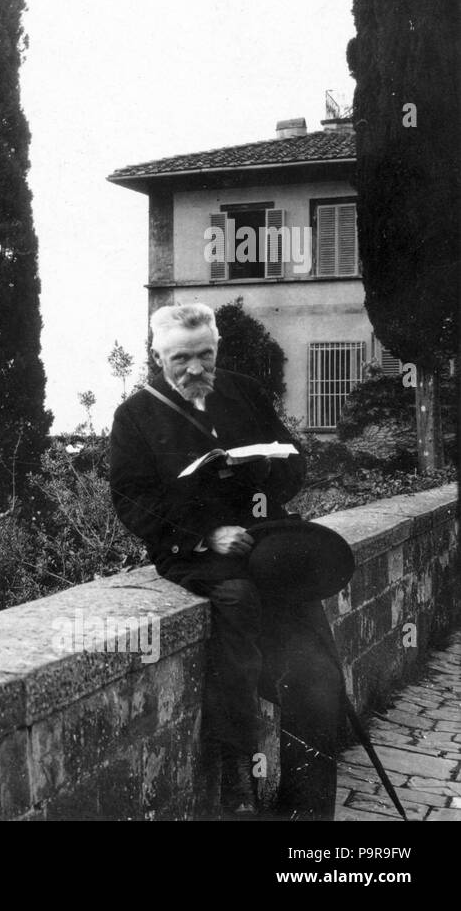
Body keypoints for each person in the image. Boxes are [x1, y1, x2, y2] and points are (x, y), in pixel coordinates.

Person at [108, 302, 344, 819]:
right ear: (157, 356)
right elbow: (131, 498)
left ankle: (309, 809)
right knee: (237, 599)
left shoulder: (242, 391)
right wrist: (207, 533)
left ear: (216, 350)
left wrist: (264, 468)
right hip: (195, 553)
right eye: (181, 359)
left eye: (205, 356)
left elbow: (295, 462)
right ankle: (237, 768)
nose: (195, 370)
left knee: (316, 666)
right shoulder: (135, 417)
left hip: (264, 538)